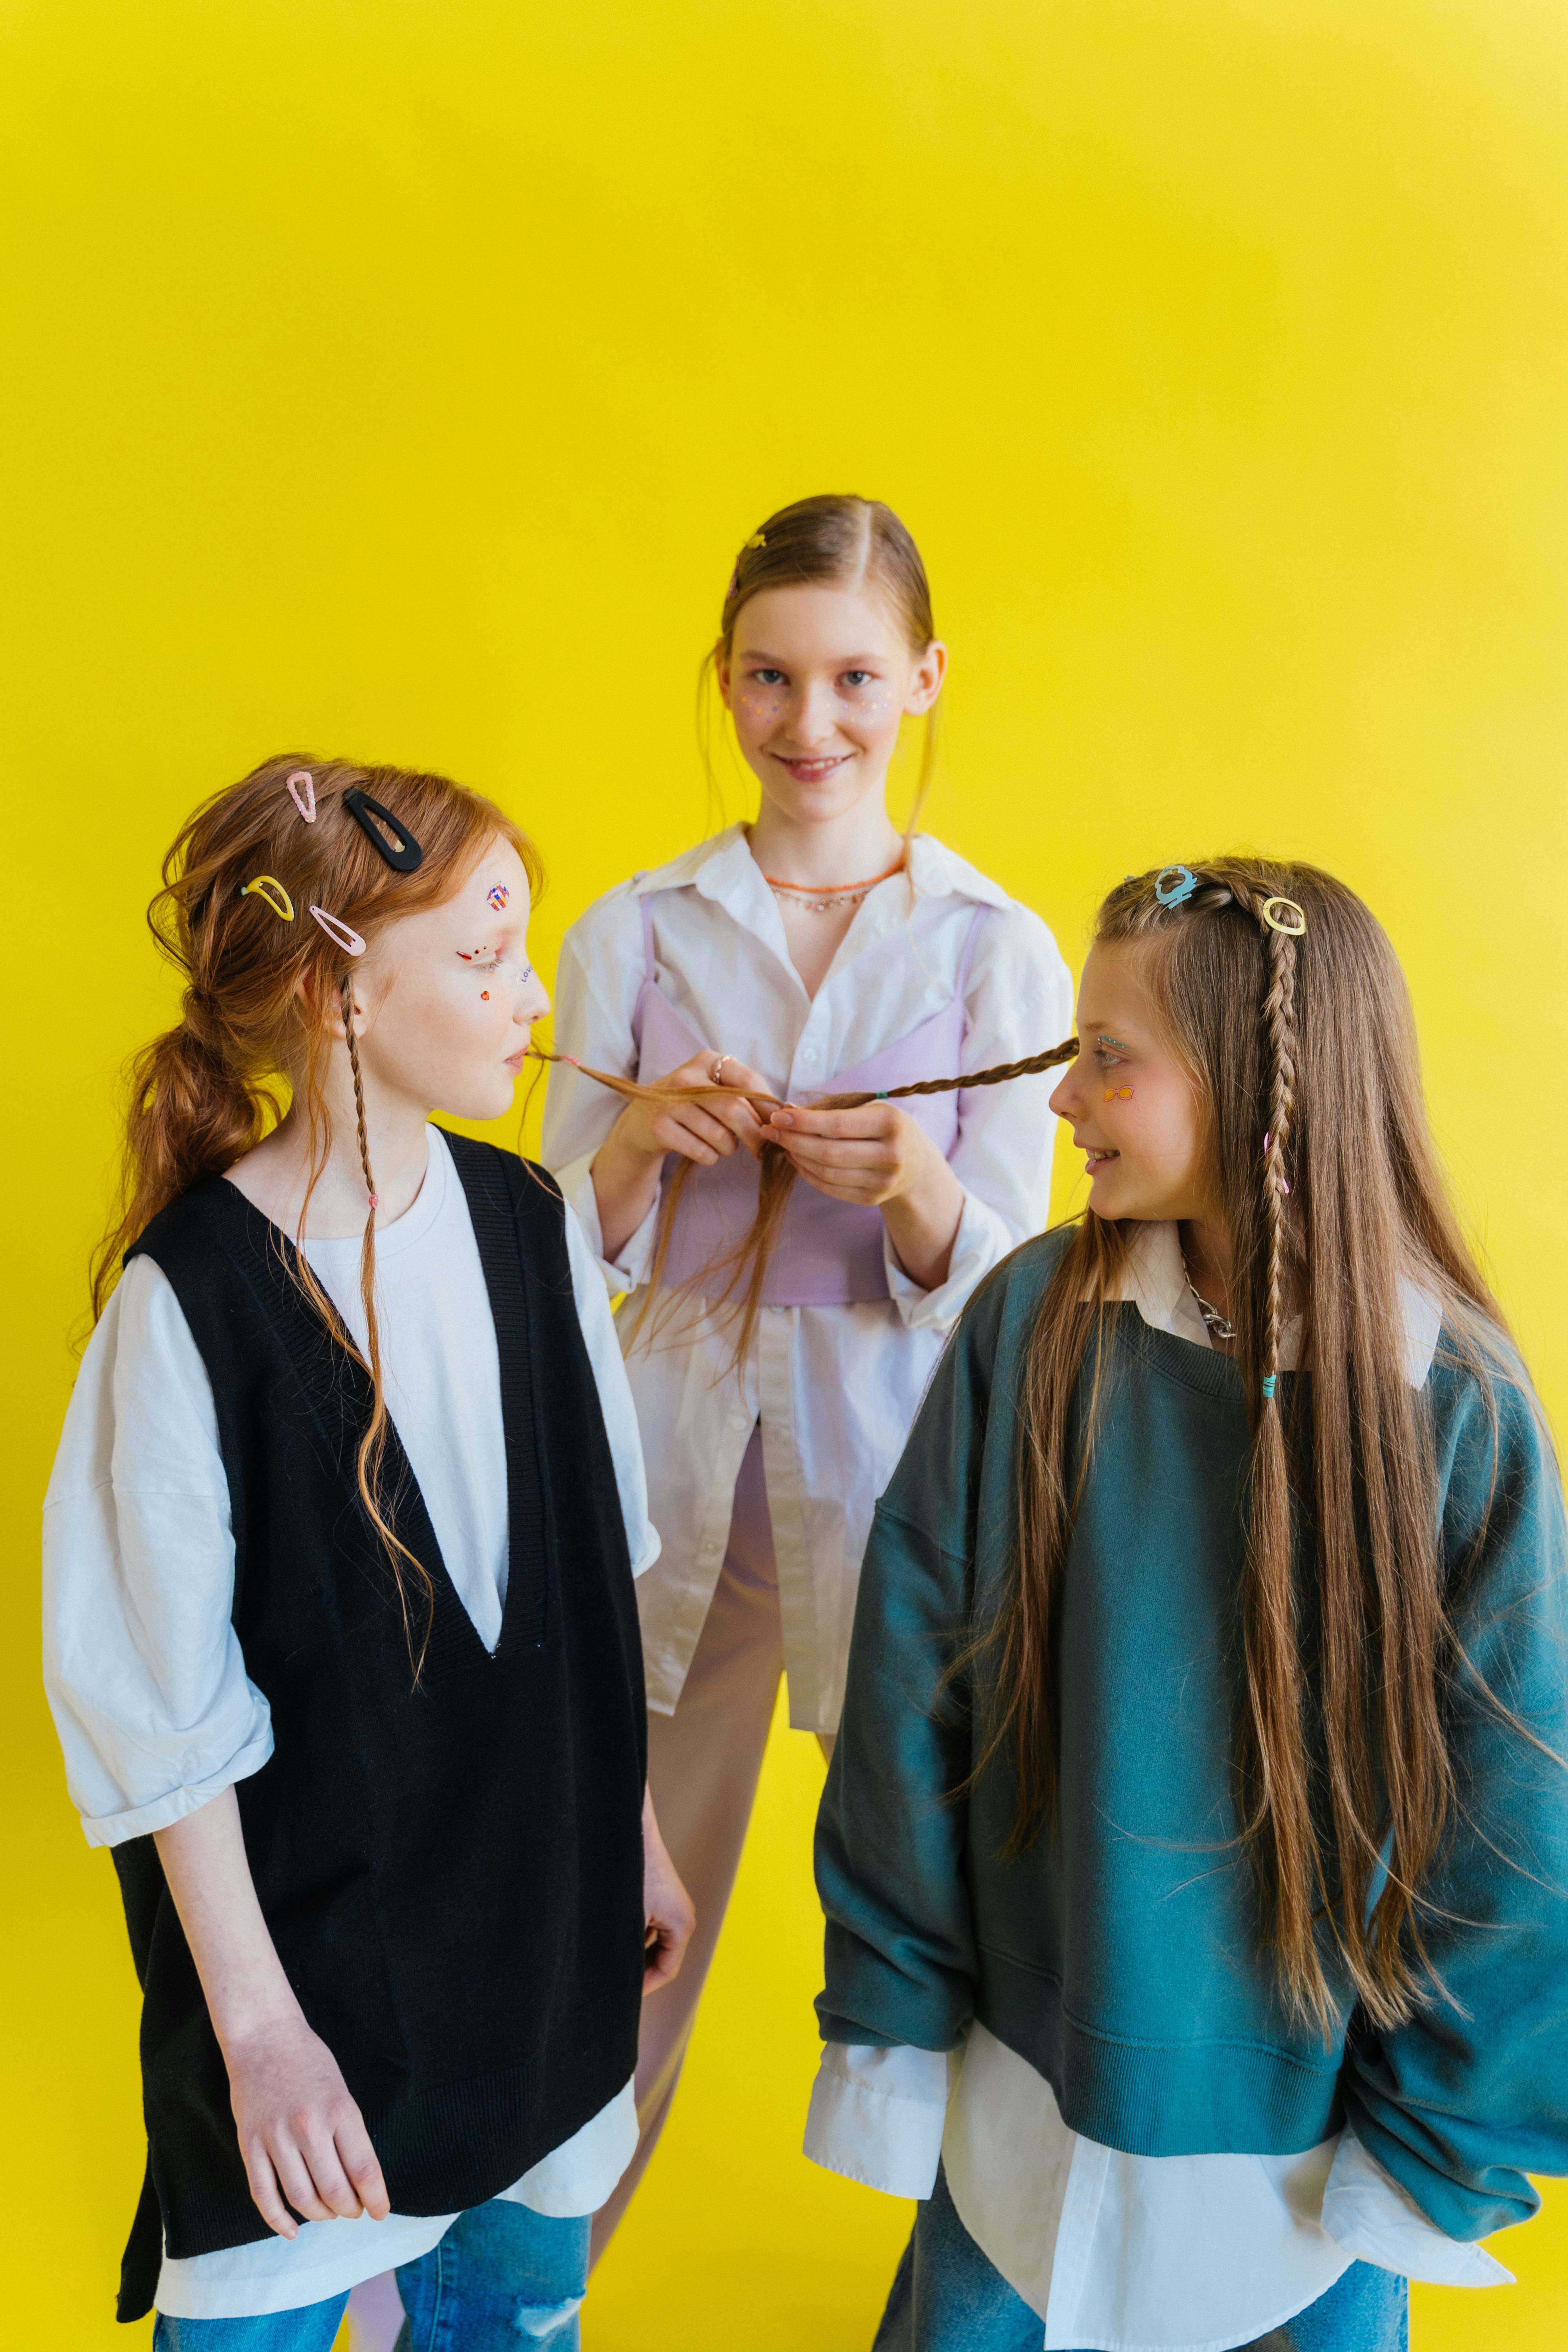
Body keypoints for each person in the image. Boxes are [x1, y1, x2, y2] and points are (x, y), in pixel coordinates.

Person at [805, 858, 1568, 2352]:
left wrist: (1440, 2145)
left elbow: (1518, 1821)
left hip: (1322, 2163)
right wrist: (892, 2015)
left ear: (1257, 1093)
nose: (1061, 1099)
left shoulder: (1457, 1402)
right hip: (1015, 2109)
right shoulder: (1030, 1321)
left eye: (1108, 1060)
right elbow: (910, 1685)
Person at [42, 756, 693, 2350]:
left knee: (519, 2306)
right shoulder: (186, 1304)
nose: (530, 996)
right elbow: (162, 1726)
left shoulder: (536, 1223)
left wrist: (636, 1832)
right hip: (321, 2009)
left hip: (542, 1953)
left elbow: (590, 1570)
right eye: (483, 960)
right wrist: (259, 2036)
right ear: (342, 995)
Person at [541, 494, 1074, 2247]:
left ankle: (996, 2277)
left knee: (966, 1919)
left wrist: (915, 1188)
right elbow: (548, 1254)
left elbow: (1015, 1283)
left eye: (852, 677)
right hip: (673, 1477)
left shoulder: (997, 949)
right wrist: (640, 1154)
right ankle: (527, 2278)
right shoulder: (637, 927)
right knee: (605, 1925)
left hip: (907, 1490)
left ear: (921, 681)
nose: (809, 723)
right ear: (725, 679)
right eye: (768, 678)